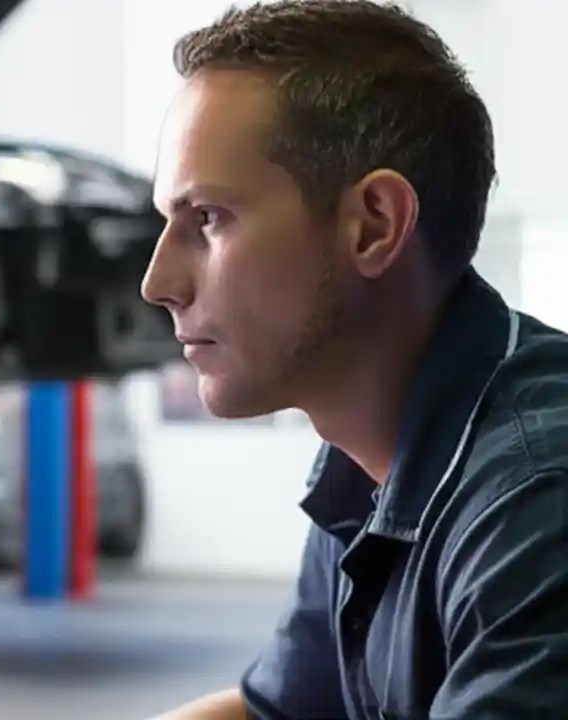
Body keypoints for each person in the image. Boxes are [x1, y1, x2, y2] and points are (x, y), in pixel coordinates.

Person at [139, 1, 568, 718]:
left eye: (207, 219)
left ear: (374, 225)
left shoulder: (536, 503)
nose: (159, 284)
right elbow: (276, 713)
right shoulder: (368, 463)